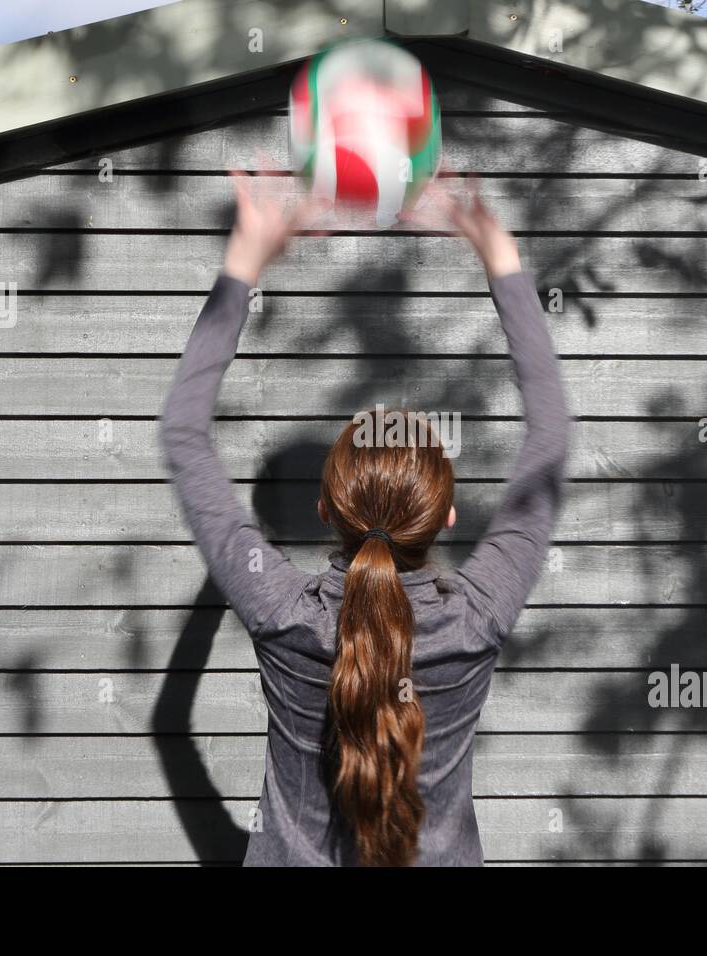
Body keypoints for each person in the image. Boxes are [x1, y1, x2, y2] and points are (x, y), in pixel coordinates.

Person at [158, 170, 571, 866]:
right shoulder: (477, 616)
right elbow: (550, 435)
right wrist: (498, 251)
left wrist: (243, 265)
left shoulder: (280, 609)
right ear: (446, 514)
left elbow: (182, 435)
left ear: (325, 510)